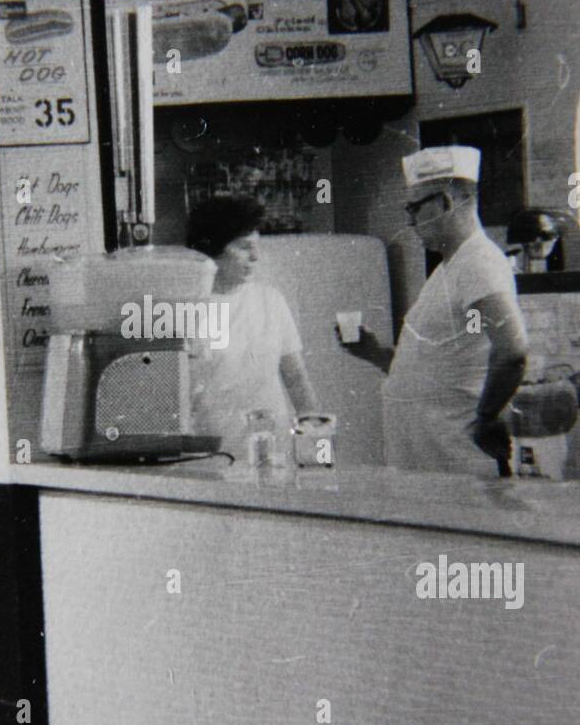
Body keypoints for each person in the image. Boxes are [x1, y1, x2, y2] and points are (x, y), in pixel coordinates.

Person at [340, 146, 529, 477]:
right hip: (427, 454)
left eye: (414, 208)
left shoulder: (478, 263)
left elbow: (512, 350)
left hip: (454, 454)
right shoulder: (450, 266)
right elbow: (440, 365)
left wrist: (486, 418)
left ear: (446, 202)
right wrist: (377, 354)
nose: (409, 221)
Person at [185, 197, 319, 457]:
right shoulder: (185, 308)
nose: (256, 257)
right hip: (212, 450)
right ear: (213, 248)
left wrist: (316, 441)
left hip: (272, 446)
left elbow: (297, 379)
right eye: (245, 247)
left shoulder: (270, 300)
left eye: (257, 246)